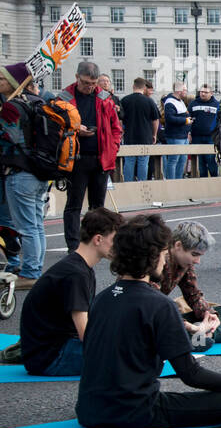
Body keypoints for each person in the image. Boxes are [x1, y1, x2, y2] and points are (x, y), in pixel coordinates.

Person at [75, 215, 221, 428]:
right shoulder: (158, 304)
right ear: (152, 257)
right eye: (162, 253)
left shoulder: (102, 298)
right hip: (132, 411)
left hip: (88, 409)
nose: (163, 259)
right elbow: (191, 374)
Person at [19, 207, 124, 376]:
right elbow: (86, 334)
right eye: (115, 240)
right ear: (98, 239)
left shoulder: (80, 267)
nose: (119, 246)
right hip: (51, 357)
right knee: (129, 356)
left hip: (48, 349)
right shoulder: (77, 274)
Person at [0, 61, 52, 287]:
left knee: (27, 227)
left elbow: (9, 138)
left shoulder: (11, 107)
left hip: (19, 173)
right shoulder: (31, 103)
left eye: (2, 79)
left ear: (12, 83)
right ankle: (36, 268)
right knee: (36, 225)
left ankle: (30, 272)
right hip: (38, 171)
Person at [62, 61, 123, 250]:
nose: (90, 87)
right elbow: (55, 127)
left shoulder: (105, 98)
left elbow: (116, 127)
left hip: (101, 158)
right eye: (86, 83)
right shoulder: (64, 97)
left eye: (93, 83)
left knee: (98, 207)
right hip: (76, 159)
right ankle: (74, 246)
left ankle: (96, 243)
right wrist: (74, 129)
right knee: (74, 205)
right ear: (77, 78)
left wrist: (114, 146)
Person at [157, 220, 221, 340]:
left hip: (157, 309)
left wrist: (210, 315)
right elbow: (153, 305)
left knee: (220, 313)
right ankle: (194, 337)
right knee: (168, 317)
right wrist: (190, 327)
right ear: (178, 246)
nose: (197, 261)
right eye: (194, 254)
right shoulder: (156, 261)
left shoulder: (184, 263)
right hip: (140, 314)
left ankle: (207, 332)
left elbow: (193, 295)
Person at [119, 77, 160, 182]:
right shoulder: (149, 101)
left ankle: (128, 186)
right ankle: (142, 184)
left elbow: (120, 119)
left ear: (133, 86)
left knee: (129, 162)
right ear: (144, 88)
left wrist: (121, 132)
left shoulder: (124, 100)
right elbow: (155, 120)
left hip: (129, 135)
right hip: (145, 136)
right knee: (143, 163)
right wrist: (154, 134)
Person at [160, 81, 192, 180]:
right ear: (179, 91)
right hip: (175, 136)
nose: (186, 92)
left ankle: (178, 181)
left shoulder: (180, 101)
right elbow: (170, 119)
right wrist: (185, 120)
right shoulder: (170, 102)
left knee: (182, 160)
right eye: (185, 90)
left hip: (183, 135)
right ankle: (172, 182)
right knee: (174, 160)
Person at [189, 84, 221, 178]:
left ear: (211, 93)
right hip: (196, 137)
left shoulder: (216, 104)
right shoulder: (193, 103)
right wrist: (189, 132)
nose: (203, 94)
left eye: (205, 92)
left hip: (211, 137)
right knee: (201, 163)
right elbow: (187, 118)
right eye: (201, 92)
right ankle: (203, 182)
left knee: (211, 160)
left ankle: (214, 180)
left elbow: (220, 121)